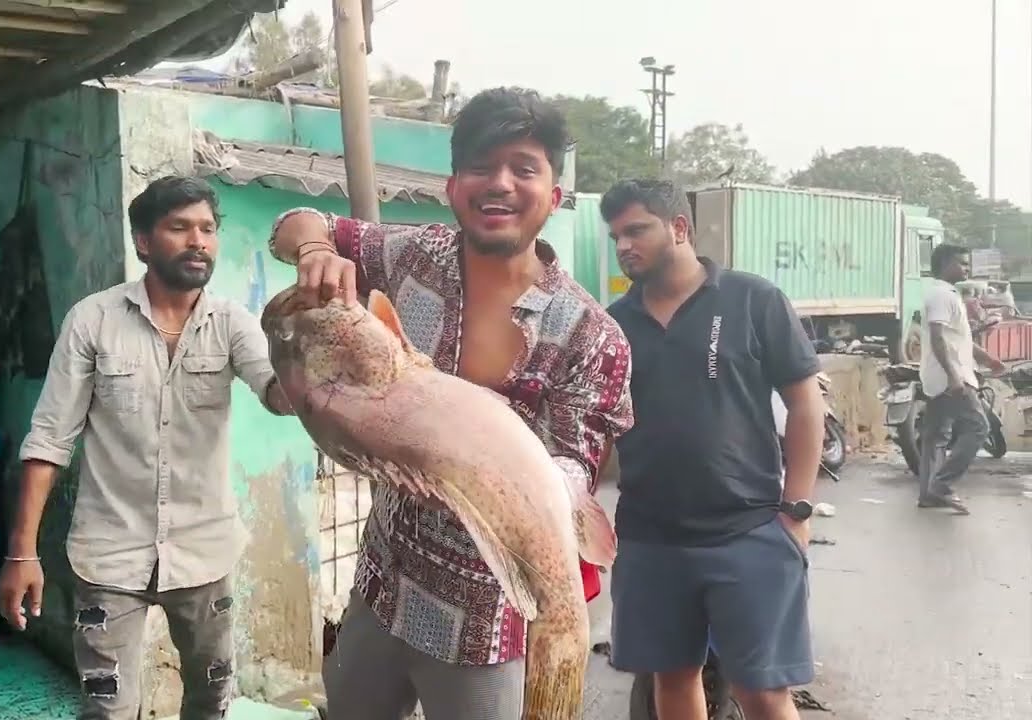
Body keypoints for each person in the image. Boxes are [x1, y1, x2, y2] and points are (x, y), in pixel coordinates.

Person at [267, 87, 633, 719]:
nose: (500, 183)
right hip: (382, 581)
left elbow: (578, 465)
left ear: (556, 194)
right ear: (451, 184)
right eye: (480, 166)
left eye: (524, 168)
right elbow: (296, 223)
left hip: (485, 620)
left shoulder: (592, 334)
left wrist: (496, 481)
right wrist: (315, 251)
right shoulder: (413, 255)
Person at [0, 176, 293, 720]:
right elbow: (49, 440)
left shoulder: (231, 323)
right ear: (143, 242)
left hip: (204, 553)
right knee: (108, 710)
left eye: (207, 228)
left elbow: (276, 391)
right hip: (110, 555)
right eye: (179, 227)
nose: (197, 241)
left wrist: (318, 364)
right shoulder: (94, 320)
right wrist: (22, 552)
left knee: (210, 701)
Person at [600, 179, 825, 720]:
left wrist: (796, 509)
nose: (624, 245)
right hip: (650, 539)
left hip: (747, 532)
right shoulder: (614, 323)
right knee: (672, 680)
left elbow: (805, 405)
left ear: (679, 228)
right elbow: (598, 427)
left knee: (763, 691)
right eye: (616, 236)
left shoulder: (753, 299)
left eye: (637, 230)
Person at [917, 243, 1005, 514]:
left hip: (942, 375)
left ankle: (929, 493)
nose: (966, 268)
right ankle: (942, 486)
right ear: (944, 264)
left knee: (935, 436)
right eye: (961, 263)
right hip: (951, 377)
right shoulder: (942, 296)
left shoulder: (947, 295)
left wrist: (987, 359)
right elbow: (938, 338)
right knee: (978, 427)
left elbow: (958, 339)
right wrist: (955, 376)